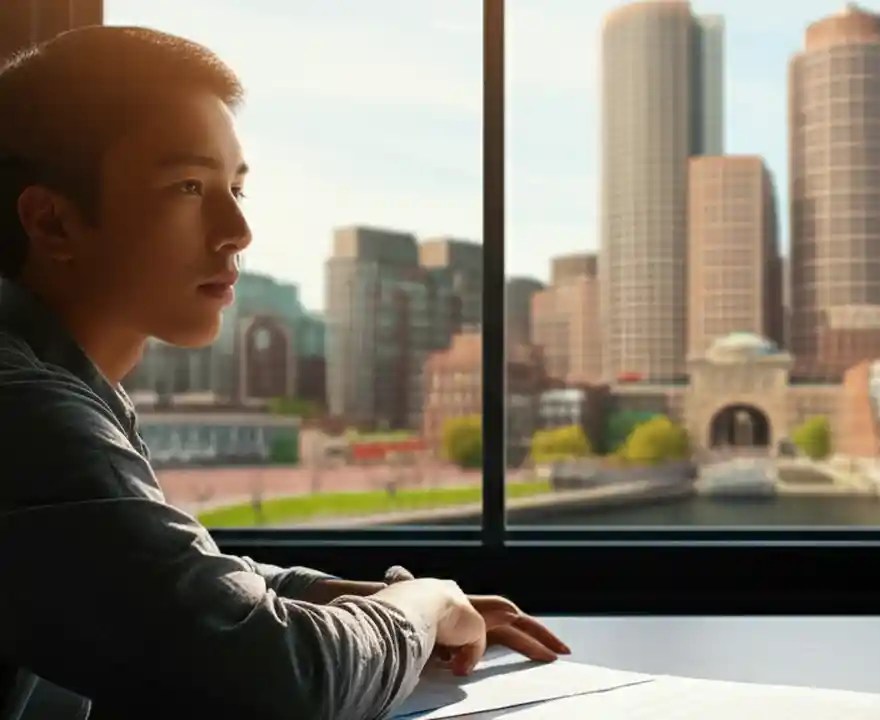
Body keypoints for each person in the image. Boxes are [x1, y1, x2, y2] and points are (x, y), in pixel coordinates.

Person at [0, 26, 567, 720]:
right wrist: (423, 603)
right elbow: (270, 679)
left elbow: (140, 571)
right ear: (52, 222)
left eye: (237, 186)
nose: (237, 227)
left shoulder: (60, 382)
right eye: (188, 185)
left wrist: (338, 596)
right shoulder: (22, 405)